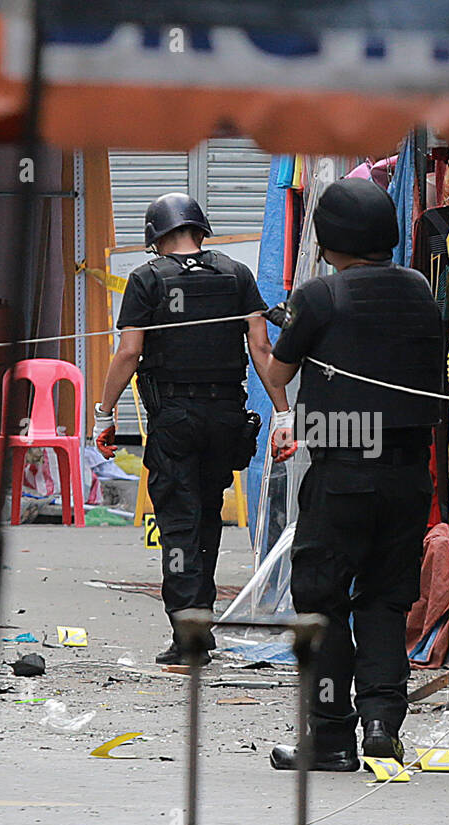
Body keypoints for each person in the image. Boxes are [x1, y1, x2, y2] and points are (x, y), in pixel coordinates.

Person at [263, 177, 445, 771]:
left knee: (321, 600)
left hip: (341, 476)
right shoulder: (422, 290)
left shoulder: (318, 296)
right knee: (387, 601)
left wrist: (261, 335)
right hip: (409, 477)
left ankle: (331, 737)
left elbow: (281, 373)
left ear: (328, 236)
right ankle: (381, 727)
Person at [94, 192, 290, 665]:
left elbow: (128, 354)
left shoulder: (146, 281)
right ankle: (199, 621)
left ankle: (190, 635)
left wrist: (104, 412)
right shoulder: (236, 274)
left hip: (176, 419)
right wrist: (283, 414)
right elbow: (263, 352)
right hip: (226, 418)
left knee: (179, 524)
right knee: (206, 518)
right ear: (200, 229)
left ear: (155, 237)